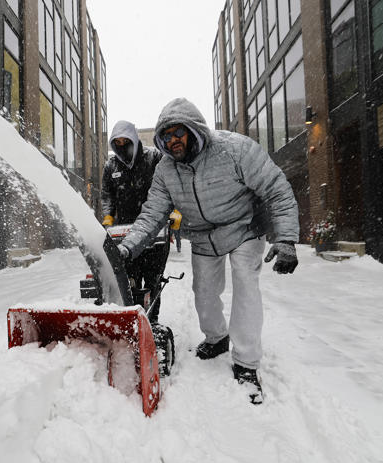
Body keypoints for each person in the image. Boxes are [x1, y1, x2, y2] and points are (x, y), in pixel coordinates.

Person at [116, 98, 299, 404]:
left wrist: (287, 239)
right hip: (202, 234)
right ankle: (217, 337)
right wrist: (126, 247)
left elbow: (276, 188)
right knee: (203, 292)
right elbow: (152, 214)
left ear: (194, 129)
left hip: (244, 227)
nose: (173, 141)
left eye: (179, 133)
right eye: (166, 136)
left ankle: (246, 361)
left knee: (245, 283)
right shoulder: (165, 170)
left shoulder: (235, 150)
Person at [101, 120, 167, 322]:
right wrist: (108, 216)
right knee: (130, 280)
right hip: (125, 233)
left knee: (153, 279)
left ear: (135, 139)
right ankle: (135, 319)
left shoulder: (154, 158)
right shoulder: (111, 166)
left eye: (126, 141)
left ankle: (152, 321)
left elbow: (169, 184)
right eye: (117, 142)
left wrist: (174, 211)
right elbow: (107, 195)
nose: (122, 145)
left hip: (155, 230)